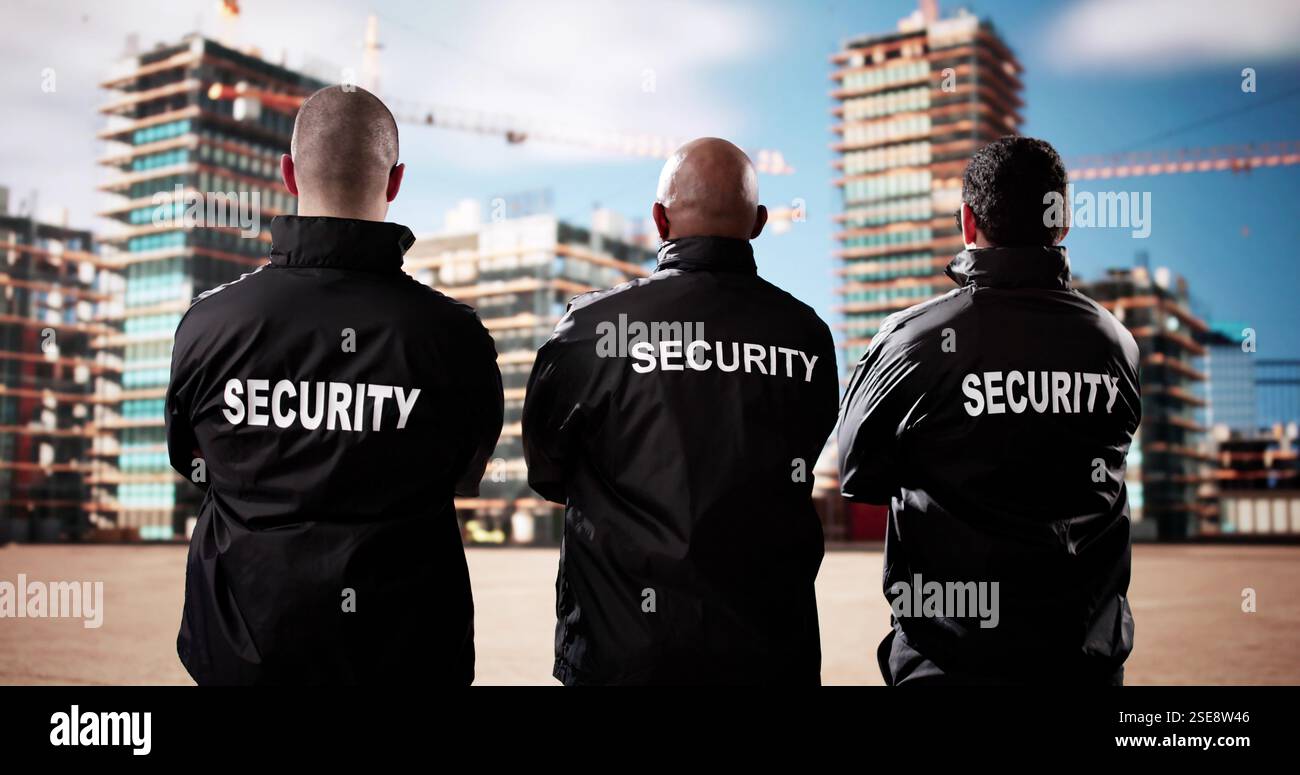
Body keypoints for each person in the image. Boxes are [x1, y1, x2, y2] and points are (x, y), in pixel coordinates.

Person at [165, 85, 503, 685]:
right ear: (396, 181)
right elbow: (461, 471)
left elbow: (192, 457)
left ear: (289, 174)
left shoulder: (210, 323)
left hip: (242, 652)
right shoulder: (454, 337)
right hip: (404, 655)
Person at [522, 137, 839, 685]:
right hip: (768, 655)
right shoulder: (806, 335)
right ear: (760, 222)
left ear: (660, 220)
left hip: (621, 654)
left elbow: (548, 469)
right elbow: (806, 450)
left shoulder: (596, 329)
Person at [838, 135, 1140, 685]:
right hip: (1084, 664)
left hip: (948, 662)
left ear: (967, 221)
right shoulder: (1117, 345)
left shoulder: (912, 342)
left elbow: (859, 472)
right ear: (1063, 224)